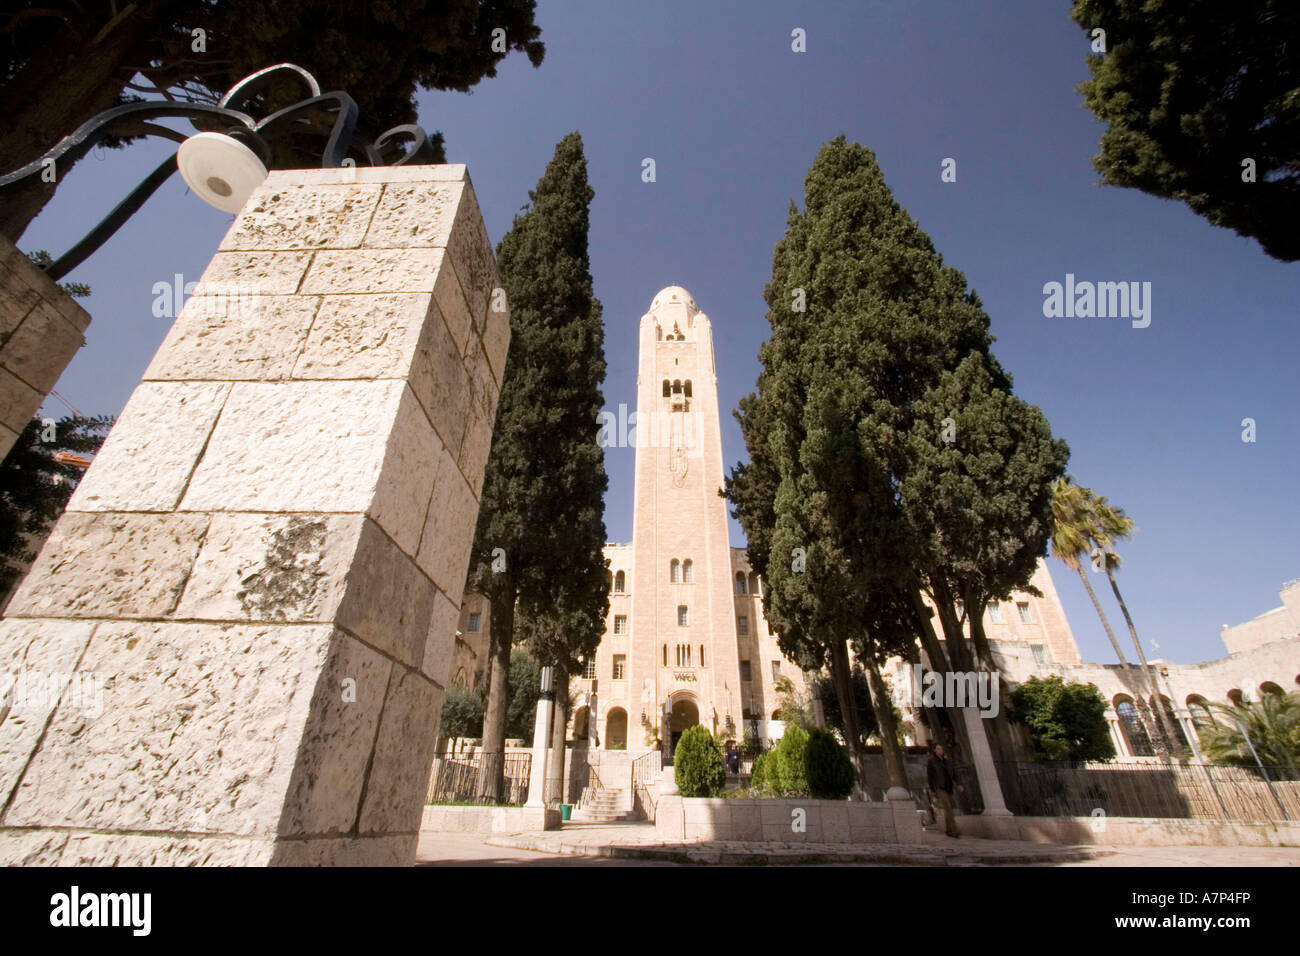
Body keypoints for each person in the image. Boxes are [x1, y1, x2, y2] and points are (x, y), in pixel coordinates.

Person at [926, 744, 962, 837]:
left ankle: (948, 830)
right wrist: (932, 789)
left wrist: (959, 784)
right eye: (938, 749)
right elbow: (930, 777)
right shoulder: (932, 762)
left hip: (949, 787)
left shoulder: (948, 761)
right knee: (948, 808)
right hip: (939, 787)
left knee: (950, 808)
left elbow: (954, 773)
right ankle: (955, 830)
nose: (940, 750)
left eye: (941, 748)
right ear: (935, 750)